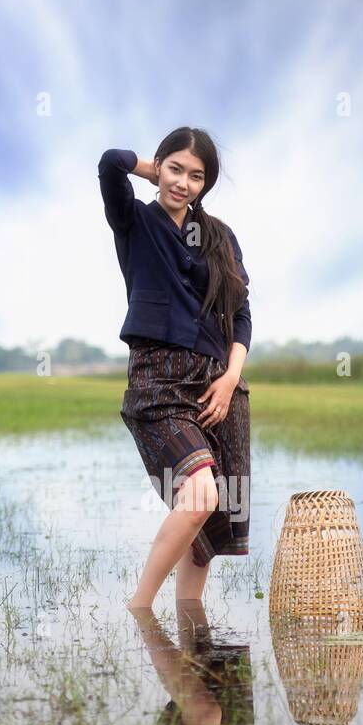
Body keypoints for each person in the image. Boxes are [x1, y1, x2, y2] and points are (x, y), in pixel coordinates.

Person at [98, 128, 252, 608]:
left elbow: (242, 314)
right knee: (200, 495)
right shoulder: (135, 223)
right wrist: (156, 173)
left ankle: (193, 625)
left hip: (218, 385)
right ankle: (140, 608)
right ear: (159, 166)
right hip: (158, 380)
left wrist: (230, 378)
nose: (184, 183)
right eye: (176, 169)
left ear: (208, 184)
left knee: (208, 524)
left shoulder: (220, 236)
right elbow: (109, 162)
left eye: (196, 176)